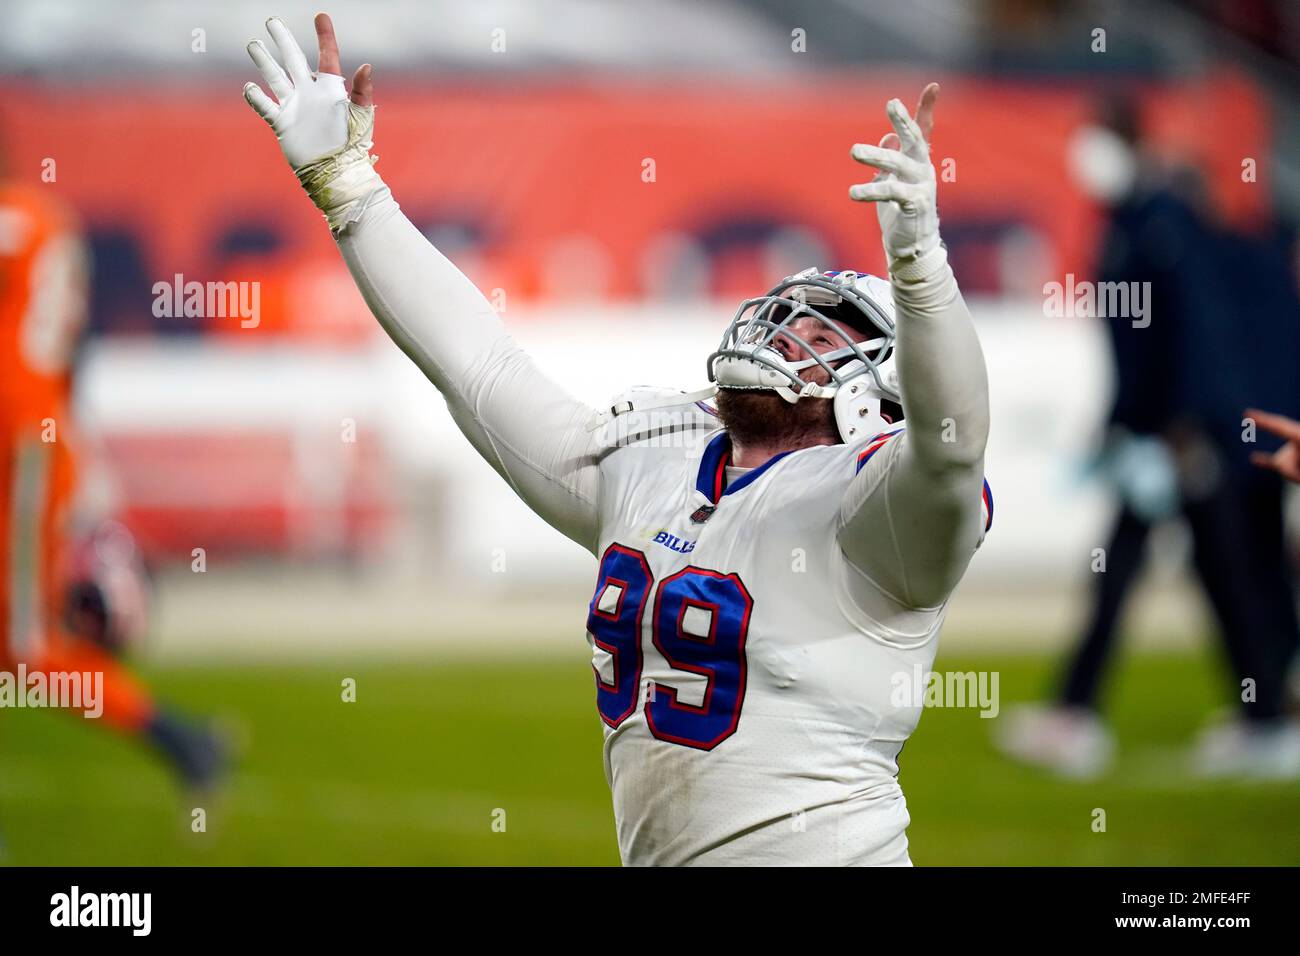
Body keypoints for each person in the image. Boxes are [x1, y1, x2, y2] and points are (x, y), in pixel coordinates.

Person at [243, 14, 990, 865]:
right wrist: (349, 188)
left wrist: (922, 268)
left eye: (825, 335)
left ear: (880, 398)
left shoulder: (882, 523)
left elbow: (951, 443)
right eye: (787, 314)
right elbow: (477, 367)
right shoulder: (657, 463)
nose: (786, 333)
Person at [0, 163, 226, 795]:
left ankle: (177, 736)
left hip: (20, 445)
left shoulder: (20, 219)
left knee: (24, 649)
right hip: (36, 436)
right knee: (19, 647)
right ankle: (181, 738)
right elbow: (75, 349)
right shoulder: (49, 221)